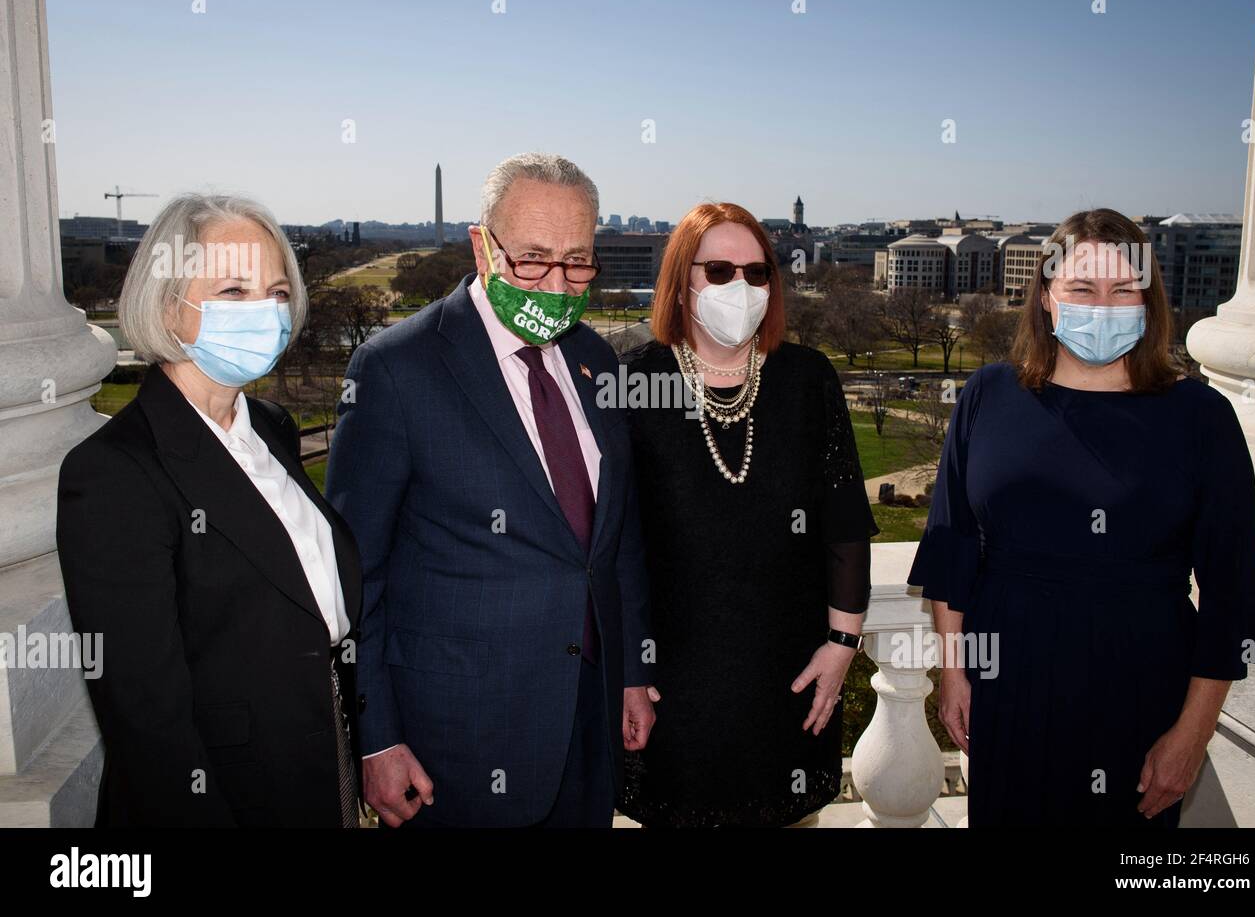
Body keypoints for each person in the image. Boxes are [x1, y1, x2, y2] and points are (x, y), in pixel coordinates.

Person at [909, 207, 1255, 827]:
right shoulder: (988, 395)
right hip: (1009, 682)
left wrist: (1191, 736)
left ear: (1148, 299)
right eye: (1082, 288)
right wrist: (955, 675)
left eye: (1122, 289)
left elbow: (1230, 593)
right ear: (1048, 297)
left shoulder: (1200, 417)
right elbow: (954, 546)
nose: (1101, 304)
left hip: (1139, 687)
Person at [328, 152, 656, 828]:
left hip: (587, 723)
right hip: (455, 744)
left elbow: (615, 537)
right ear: (482, 246)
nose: (557, 284)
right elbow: (358, 573)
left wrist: (630, 672)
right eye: (533, 258)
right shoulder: (394, 369)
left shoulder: (595, 357)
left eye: (578, 261)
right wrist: (377, 734)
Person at [57, 194, 363, 826]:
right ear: (170, 306)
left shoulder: (271, 427)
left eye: (277, 291)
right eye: (233, 290)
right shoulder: (113, 474)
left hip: (319, 763)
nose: (266, 311)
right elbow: (147, 723)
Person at [616, 202, 878, 827]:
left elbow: (844, 525)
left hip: (788, 679)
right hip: (673, 685)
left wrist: (843, 644)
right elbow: (617, 546)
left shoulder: (808, 379)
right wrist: (630, 670)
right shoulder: (632, 383)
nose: (742, 287)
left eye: (758, 273)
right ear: (682, 282)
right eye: (720, 270)